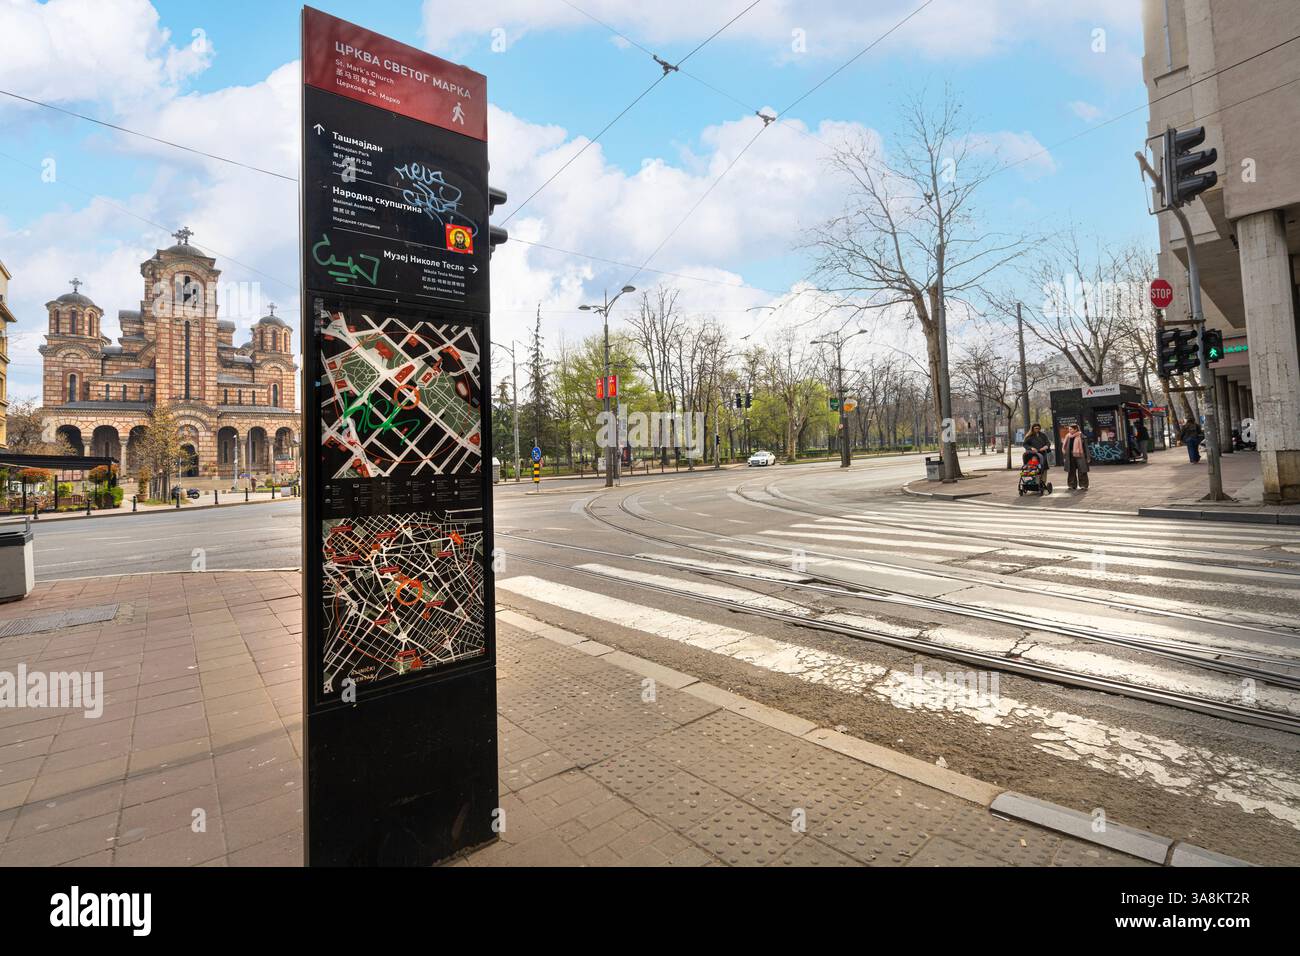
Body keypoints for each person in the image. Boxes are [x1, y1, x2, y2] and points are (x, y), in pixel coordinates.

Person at [1062, 423, 1090, 491]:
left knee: (1082, 470)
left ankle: (1083, 485)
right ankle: (1072, 485)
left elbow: (1086, 448)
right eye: (1069, 429)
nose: (1069, 430)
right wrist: (1065, 455)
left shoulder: (1081, 436)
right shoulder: (1068, 436)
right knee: (1071, 470)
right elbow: (1064, 447)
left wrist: (1088, 457)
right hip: (1070, 456)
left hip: (1080, 455)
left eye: (1071, 429)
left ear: (1076, 429)